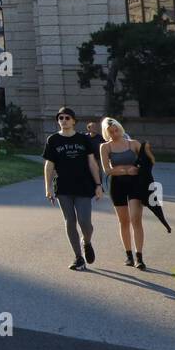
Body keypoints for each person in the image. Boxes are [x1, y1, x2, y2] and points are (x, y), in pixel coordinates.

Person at [43, 107, 104, 271]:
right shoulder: (53, 140)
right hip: (63, 186)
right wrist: (48, 187)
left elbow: (92, 163)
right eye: (60, 118)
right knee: (70, 221)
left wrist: (98, 185)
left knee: (85, 222)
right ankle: (78, 257)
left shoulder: (84, 140)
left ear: (74, 121)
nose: (64, 120)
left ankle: (87, 241)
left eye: (67, 118)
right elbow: (49, 165)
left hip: (83, 185)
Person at [98, 117, 156, 270]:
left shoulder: (133, 144)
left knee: (136, 219)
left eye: (116, 130)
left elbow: (148, 163)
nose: (115, 134)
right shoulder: (105, 147)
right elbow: (107, 170)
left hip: (135, 184)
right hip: (117, 185)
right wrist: (124, 170)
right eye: (111, 132)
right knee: (124, 221)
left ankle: (139, 257)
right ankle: (128, 255)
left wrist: (139, 168)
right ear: (106, 132)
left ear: (120, 129)